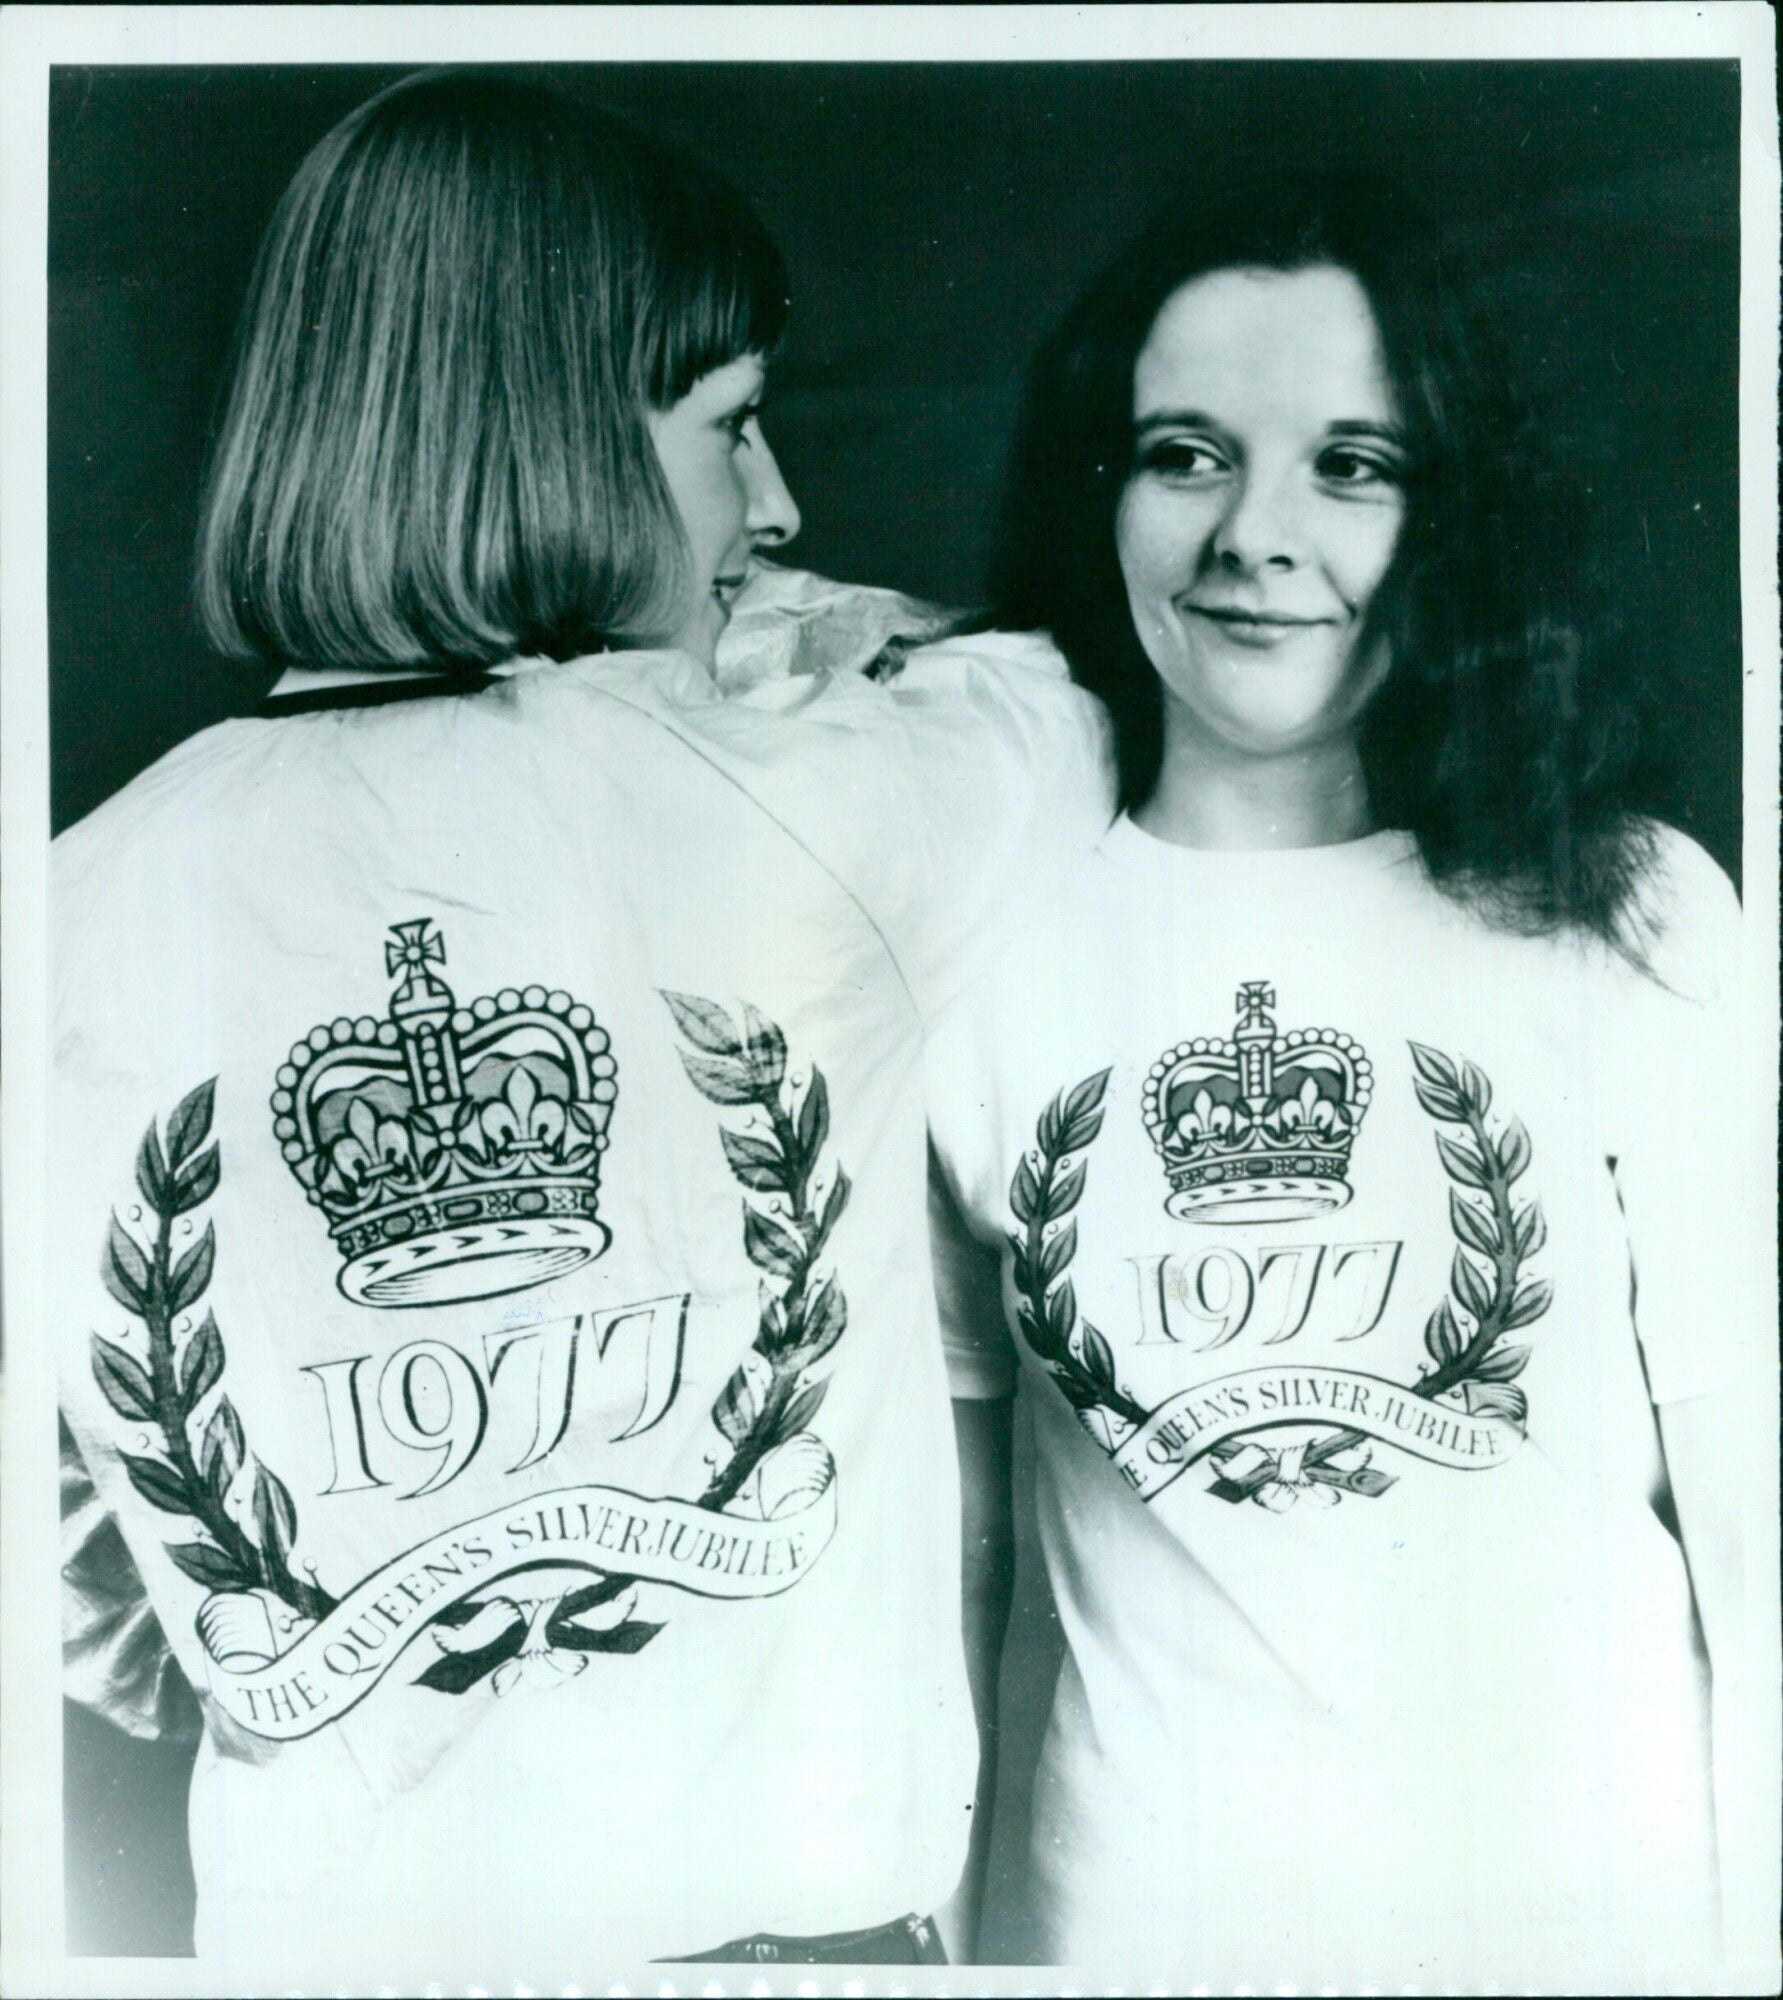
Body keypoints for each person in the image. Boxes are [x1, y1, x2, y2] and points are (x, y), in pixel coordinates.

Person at [51, 70, 1110, 1982]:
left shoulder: (65, 914)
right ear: (552, 425)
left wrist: (315, 1655)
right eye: (731, 429)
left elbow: (76, 1586)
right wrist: (808, 630)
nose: (772, 500)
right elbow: (1059, 712)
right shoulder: (822, 803)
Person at [927, 172, 1767, 1989]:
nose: (1256, 536)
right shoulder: (975, 948)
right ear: (1106, 490)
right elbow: (992, 1593)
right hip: (1125, 1931)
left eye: (1353, 465)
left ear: (1459, 508)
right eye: (1186, 453)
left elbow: (1761, 1556)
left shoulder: (1629, 914)